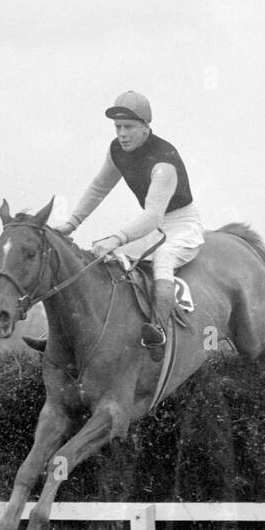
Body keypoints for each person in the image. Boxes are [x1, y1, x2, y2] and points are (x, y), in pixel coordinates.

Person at [50, 90, 206, 362]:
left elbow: (152, 217)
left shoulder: (164, 162)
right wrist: (71, 224)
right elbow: (99, 187)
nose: (122, 134)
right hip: (152, 227)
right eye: (118, 127)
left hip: (180, 224)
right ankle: (66, 336)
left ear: (146, 128)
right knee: (104, 256)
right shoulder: (117, 150)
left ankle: (158, 331)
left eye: (129, 127)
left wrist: (117, 238)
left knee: (164, 258)